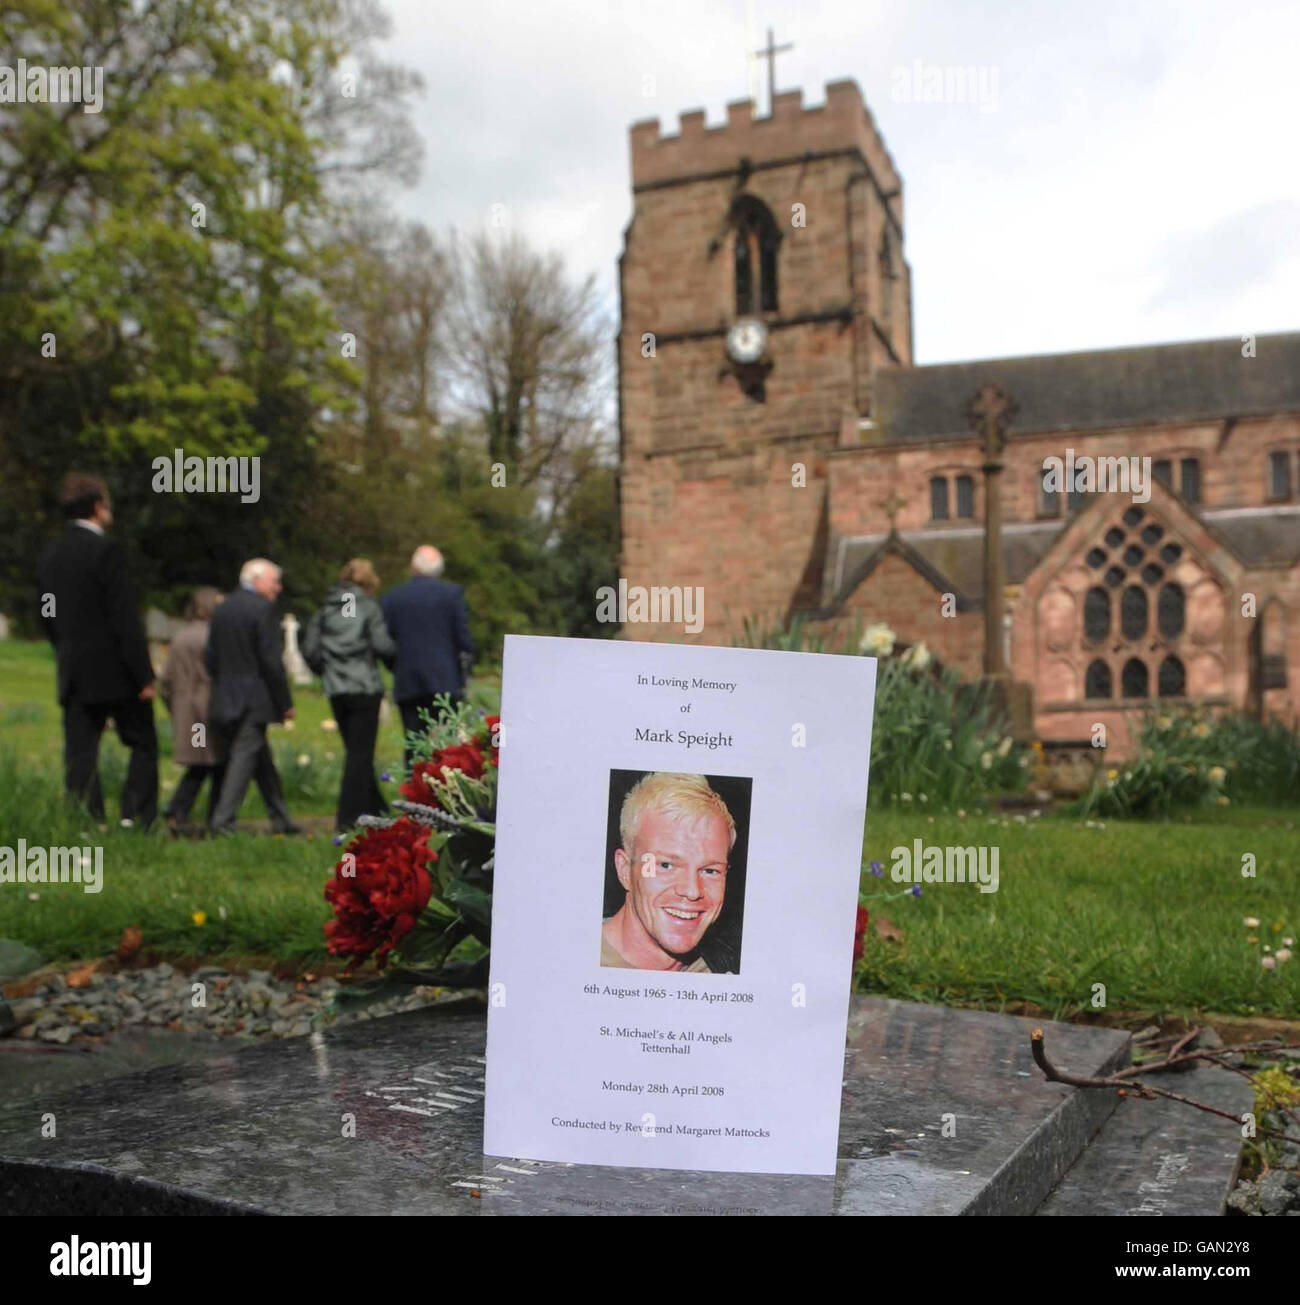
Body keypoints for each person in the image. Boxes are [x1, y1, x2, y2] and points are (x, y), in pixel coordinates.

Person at [37, 473, 158, 829]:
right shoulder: (107, 551)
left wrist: (63, 645)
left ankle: (85, 821)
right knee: (142, 742)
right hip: (115, 668)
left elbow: (45, 609)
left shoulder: (50, 554)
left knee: (80, 750)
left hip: (74, 667)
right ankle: (135, 817)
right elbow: (123, 617)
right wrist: (143, 674)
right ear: (97, 507)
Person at [601, 773, 737, 973]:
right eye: (665, 865)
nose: (692, 891)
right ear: (625, 870)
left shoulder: (729, 971)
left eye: (710, 870)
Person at [205, 558, 299, 836]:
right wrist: (285, 702)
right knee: (244, 757)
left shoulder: (223, 608)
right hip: (254, 697)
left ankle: (280, 817)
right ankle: (222, 821)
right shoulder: (262, 610)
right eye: (274, 582)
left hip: (225, 694)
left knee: (261, 759)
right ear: (257, 580)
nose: (278, 588)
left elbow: (211, 656)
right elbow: (271, 661)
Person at [301, 558, 396, 831]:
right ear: (368, 583)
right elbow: (383, 645)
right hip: (364, 687)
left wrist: (325, 670)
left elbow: (309, 650)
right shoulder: (366, 607)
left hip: (336, 689)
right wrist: (396, 659)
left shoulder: (326, 610)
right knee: (360, 754)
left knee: (355, 751)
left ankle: (378, 809)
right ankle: (348, 818)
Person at [380, 545, 474, 769]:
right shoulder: (452, 595)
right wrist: (466, 674)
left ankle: (413, 792)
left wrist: (395, 666)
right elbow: (463, 639)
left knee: (413, 742)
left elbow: (384, 642)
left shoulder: (393, 598)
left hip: (408, 679)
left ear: (414, 567)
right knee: (447, 745)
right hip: (445, 679)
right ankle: (443, 793)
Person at [158, 586, 224, 833]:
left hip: (186, 711)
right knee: (213, 762)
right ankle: (205, 813)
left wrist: (173, 706)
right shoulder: (212, 637)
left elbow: (166, 681)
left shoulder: (180, 637)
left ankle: (179, 810)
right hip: (205, 709)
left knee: (200, 761)